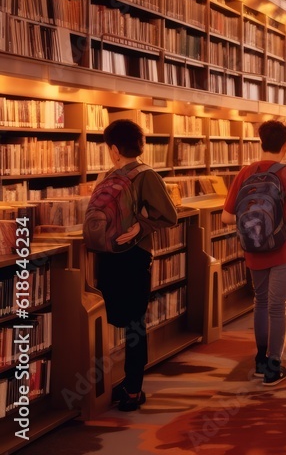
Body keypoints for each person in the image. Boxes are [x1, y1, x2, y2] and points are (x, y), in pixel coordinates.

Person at [222, 120, 286, 386]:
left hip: (253, 249)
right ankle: (274, 366)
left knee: (260, 303)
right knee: (278, 306)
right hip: (282, 250)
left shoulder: (245, 172)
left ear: (260, 141)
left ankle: (261, 361)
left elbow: (227, 218)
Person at [94, 119, 178, 411]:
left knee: (112, 319)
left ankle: (126, 385)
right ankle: (132, 387)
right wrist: (142, 227)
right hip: (133, 257)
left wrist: (138, 225)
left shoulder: (108, 176)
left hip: (107, 257)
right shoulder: (147, 175)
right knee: (134, 323)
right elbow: (169, 216)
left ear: (114, 149)